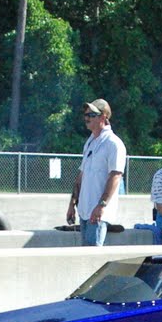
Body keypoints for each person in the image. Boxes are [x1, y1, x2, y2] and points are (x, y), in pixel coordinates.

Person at [66, 98, 127, 246]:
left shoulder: (114, 143)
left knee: (93, 256)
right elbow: (81, 175)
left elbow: (115, 176)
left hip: (98, 214)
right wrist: (72, 204)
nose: (87, 118)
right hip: (84, 211)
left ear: (103, 117)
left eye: (92, 115)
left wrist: (101, 206)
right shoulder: (90, 142)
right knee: (84, 256)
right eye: (86, 115)